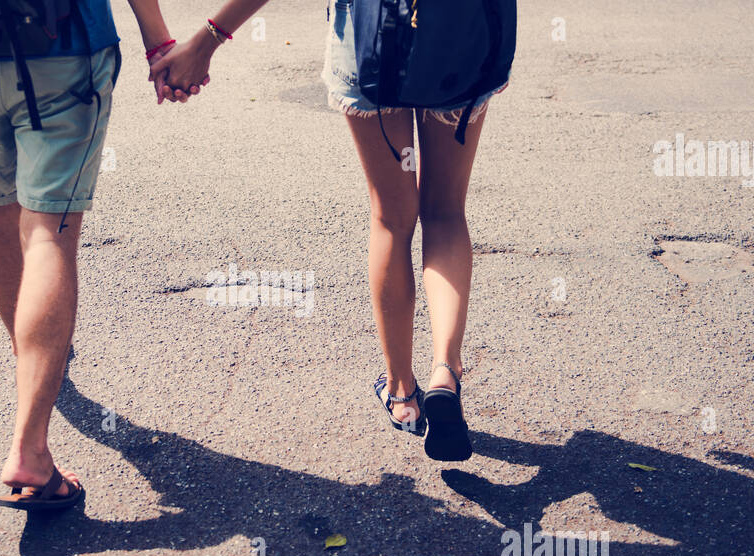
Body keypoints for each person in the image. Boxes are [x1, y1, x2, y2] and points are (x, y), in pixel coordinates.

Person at [153, 1, 506, 461]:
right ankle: (445, 371)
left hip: (372, 37)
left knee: (391, 218)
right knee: (443, 213)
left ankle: (402, 394)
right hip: (463, 35)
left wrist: (207, 40)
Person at [0, 0, 196, 510]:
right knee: (48, 234)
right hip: (66, 53)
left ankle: (32, 360)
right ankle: (29, 450)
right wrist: (159, 44)